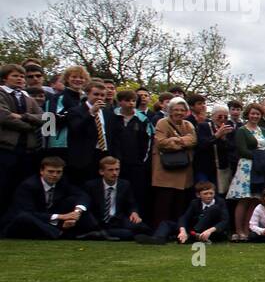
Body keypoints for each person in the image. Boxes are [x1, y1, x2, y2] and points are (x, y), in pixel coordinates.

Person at [2, 156, 102, 239]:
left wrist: (76, 212)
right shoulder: (28, 186)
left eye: (58, 172)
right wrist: (61, 217)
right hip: (21, 224)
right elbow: (28, 212)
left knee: (74, 201)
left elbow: (82, 194)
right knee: (24, 217)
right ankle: (60, 234)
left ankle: (96, 231)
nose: (55, 175)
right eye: (51, 171)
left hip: (48, 220)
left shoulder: (62, 182)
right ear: (42, 171)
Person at [0, 63, 44, 209]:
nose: (19, 79)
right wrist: (31, 125)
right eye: (15, 76)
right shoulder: (2, 93)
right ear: (5, 78)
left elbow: (43, 117)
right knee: (4, 186)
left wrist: (23, 116)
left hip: (27, 150)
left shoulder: (27, 97)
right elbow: (4, 117)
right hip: (6, 148)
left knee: (22, 187)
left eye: (21, 76)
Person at [151, 97, 198, 227]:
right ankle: (160, 230)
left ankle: (177, 230)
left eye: (182, 110)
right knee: (163, 205)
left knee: (179, 205)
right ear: (170, 111)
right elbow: (161, 143)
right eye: (176, 110)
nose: (179, 113)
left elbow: (193, 141)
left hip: (183, 170)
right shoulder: (162, 123)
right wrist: (183, 142)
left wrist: (174, 140)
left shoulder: (188, 125)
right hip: (166, 170)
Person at [136, 181, 229, 244]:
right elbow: (184, 217)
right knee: (167, 223)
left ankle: (188, 237)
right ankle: (158, 238)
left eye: (211, 193)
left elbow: (224, 221)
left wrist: (209, 231)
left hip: (211, 232)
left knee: (213, 209)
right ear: (198, 195)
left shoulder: (220, 202)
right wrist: (182, 230)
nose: (209, 196)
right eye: (205, 194)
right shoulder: (194, 203)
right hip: (193, 230)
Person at [229, 103, 265, 242]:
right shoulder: (242, 130)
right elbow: (241, 149)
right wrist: (258, 156)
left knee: (255, 198)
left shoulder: (263, 131)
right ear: (248, 114)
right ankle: (238, 230)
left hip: (260, 167)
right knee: (244, 199)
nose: (255, 116)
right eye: (253, 113)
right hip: (247, 166)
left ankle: (248, 229)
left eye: (258, 114)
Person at [83, 156, 151, 240]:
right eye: (110, 170)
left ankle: (103, 234)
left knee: (143, 228)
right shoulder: (91, 186)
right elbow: (87, 205)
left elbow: (131, 203)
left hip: (117, 219)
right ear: (101, 171)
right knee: (127, 234)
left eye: (117, 169)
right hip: (98, 220)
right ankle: (102, 233)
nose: (115, 173)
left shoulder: (125, 184)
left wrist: (134, 213)